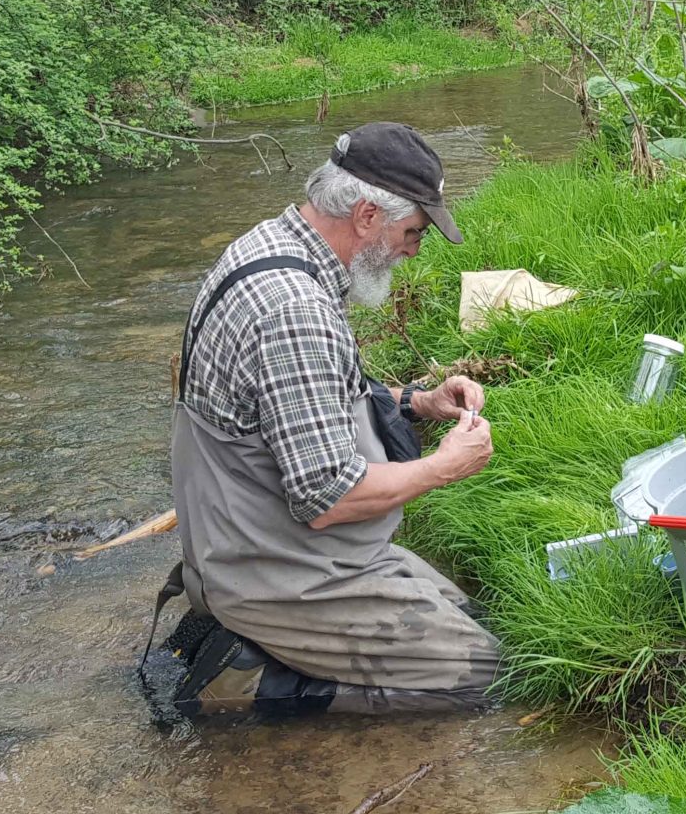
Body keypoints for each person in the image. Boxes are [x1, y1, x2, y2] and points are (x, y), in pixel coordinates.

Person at [140, 122, 503, 722]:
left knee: (474, 618)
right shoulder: (296, 311)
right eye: (413, 232)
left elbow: (299, 402)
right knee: (488, 674)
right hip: (280, 573)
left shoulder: (268, 247)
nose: (415, 249)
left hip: (259, 548)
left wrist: (418, 401)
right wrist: (443, 468)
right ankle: (251, 682)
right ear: (366, 216)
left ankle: (262, 646)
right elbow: (329, 499)